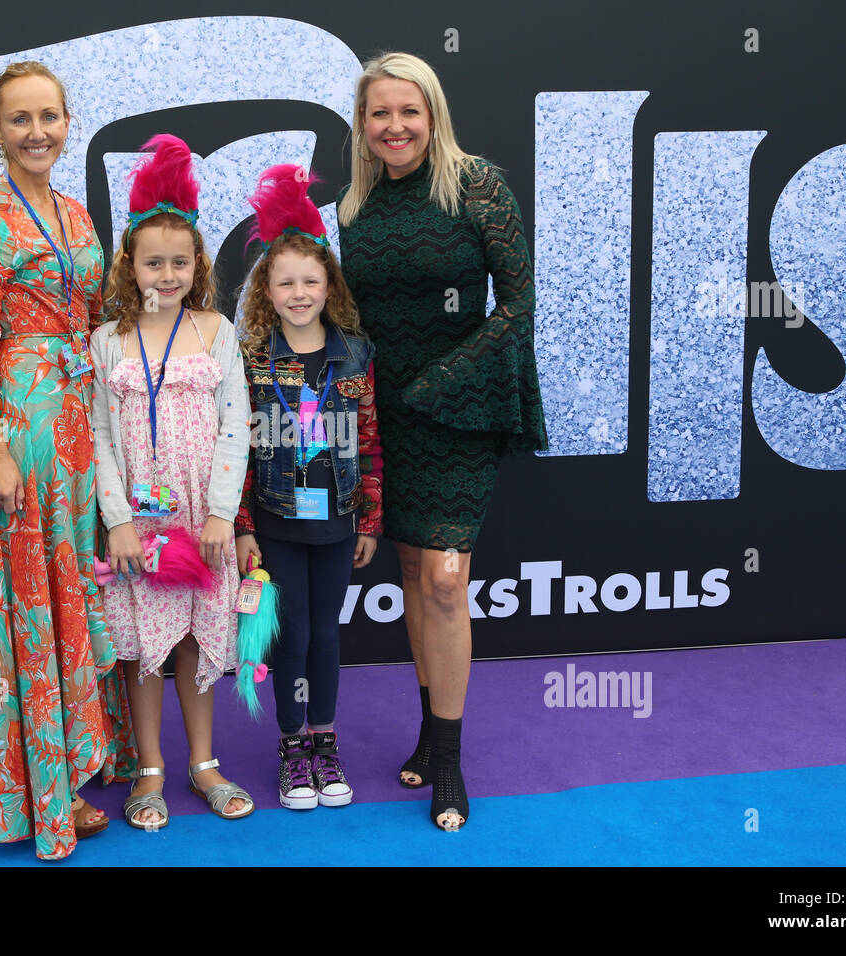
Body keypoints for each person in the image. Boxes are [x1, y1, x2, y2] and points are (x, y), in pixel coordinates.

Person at [336, 52, 549, 830]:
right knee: (415, 568)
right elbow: (350, 319)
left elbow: (518, 303)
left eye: (408, 111)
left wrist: (442, 380)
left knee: (447, 582)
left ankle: (450, 767)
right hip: (385, 416)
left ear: (433, 114)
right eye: (379, 114)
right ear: (363, 125)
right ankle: (429, 730)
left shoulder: (477, 185)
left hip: (459, 409)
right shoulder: (353, 208)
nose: (394, 127)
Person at [0, 61, 136, 861]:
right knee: (31, 603)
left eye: (49, 117)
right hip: (20, 437)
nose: (36, 132)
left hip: (80, 427)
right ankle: (39, 797)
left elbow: (101, 319)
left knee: (74, 593)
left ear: (68, 124)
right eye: (19, 118)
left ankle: (78, 767)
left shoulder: (78, 214)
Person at [89, 134, 253, 829]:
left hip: (199, 522)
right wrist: (118, 518)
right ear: (129, 264)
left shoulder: (216, 331)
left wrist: (222, 514)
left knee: (193, 641)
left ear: (197, 265)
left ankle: (204, 761)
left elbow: (235, 427)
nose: (166, 273)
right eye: (152, 262)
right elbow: (95, 434)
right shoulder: (107, 341)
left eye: (179, 262)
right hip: (140, 526)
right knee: (144, 651)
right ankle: (149, 768)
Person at [233, 165, 382, 810]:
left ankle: (326, 739)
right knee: (290, 634)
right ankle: (293, 746)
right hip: (274, 522)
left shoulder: (354, 355)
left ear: (329, 285)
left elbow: (371, 440)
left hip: (338, 521)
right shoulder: (248, 358)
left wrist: (370, 520)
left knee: (327, 633)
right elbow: (232, 449)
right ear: (267, 287)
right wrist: (241, 526)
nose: (299, 292)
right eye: (285, 281)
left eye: (311, 280)